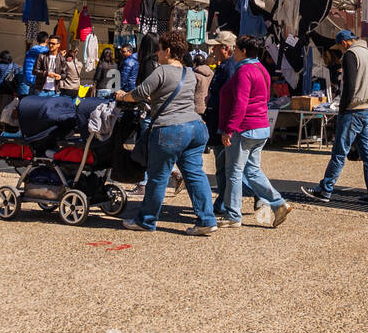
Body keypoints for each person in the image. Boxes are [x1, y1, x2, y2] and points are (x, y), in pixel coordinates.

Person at [118, 29, 217, 235]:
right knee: (195, 175)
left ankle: (146, 220)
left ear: (168, 50)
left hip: (170, 130)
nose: (157, 53)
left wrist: (122, 96)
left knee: (157, 177)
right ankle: (207, 219)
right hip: (195, 128)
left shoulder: (161, 71)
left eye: (160, 49)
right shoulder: (190, 73)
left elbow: (140, 93)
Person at [218, 34, 293, 228]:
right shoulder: (262, 69)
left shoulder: (244, 71)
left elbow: (241, 103)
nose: (233, 52)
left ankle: (233, 215)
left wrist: (229, 129)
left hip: (245, 128)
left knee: (234, 171)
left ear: (243, 51)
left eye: (235, 49)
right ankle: (278, 203)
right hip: (260, 127)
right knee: (252, 171)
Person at [302, 30, 368, 205]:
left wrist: (343, 109)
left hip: (353, 109)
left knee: (340, 151)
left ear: (345, 42)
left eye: (339, 46)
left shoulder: (351, 55)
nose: (339, 49)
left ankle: (325, 189)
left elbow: (350, 86)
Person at [202, 30, 243, 214]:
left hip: (222, 123)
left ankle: (225, 201)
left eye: (216, 47)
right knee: (226, 166)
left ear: (226, 49)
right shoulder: (225, 66)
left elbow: (228, 98)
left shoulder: (229, 68)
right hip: (219, 121)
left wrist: (212, 101)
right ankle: (223, 200)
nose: (213, 50)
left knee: (226, 166)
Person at [21, 32, 52, 96]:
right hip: (39, 81)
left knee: (31, 101)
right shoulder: (46, 52)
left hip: (28, 79)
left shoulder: (30, 51)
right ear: (47, 40)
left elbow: (24, 66)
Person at [0, 49, 20, 120]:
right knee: (5, 108)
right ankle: (3, 126)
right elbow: (17, 78)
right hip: (8, 89)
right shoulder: (15, 66)